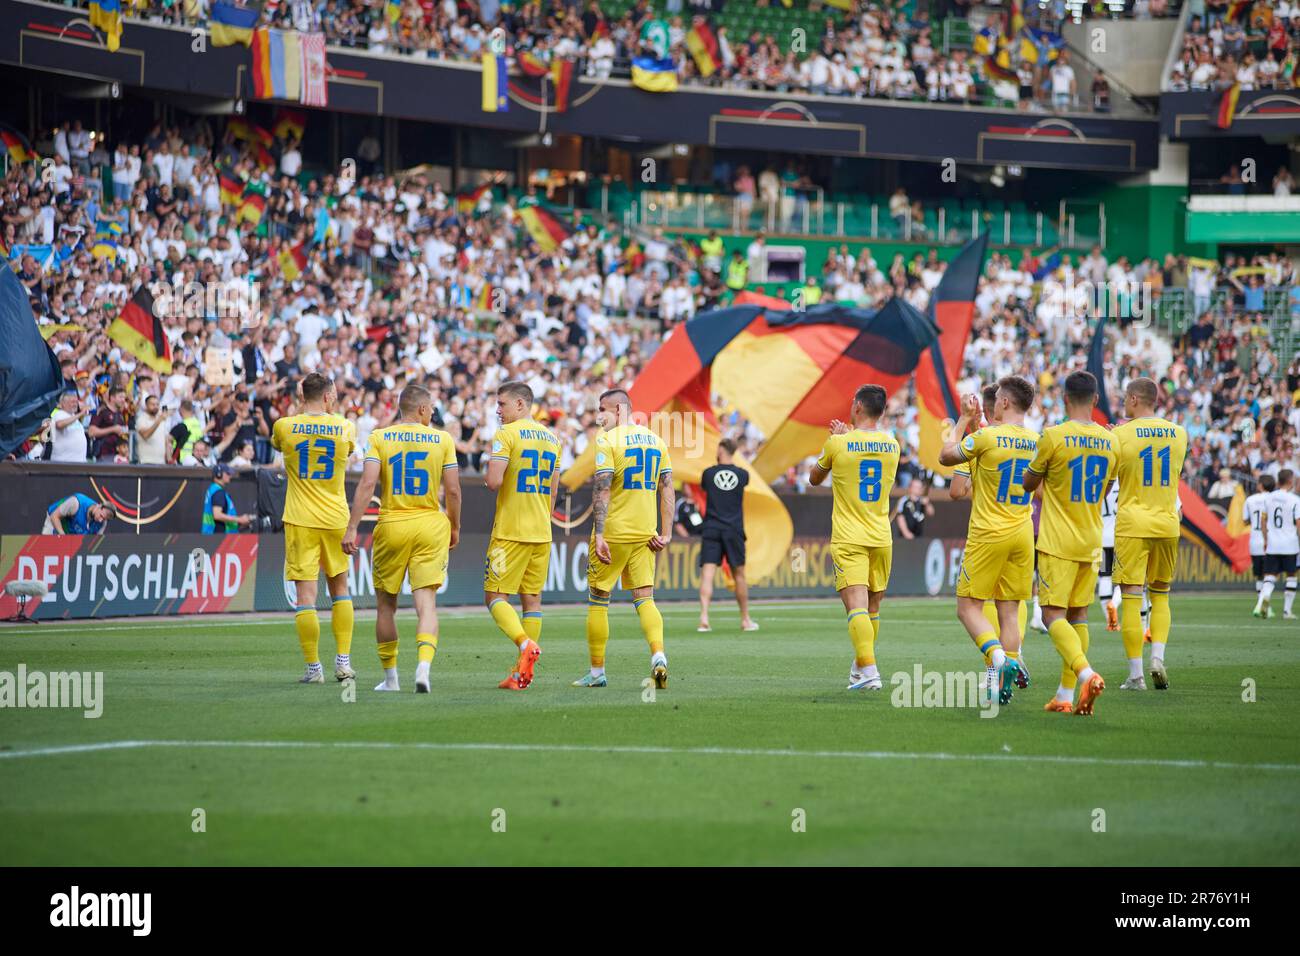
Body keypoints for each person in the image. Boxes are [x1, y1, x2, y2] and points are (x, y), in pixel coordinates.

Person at [343, 383, 461, 694]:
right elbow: (453, 491)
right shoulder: (443, 439)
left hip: (393, 524)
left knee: (385, 607)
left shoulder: (379, 437)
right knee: (427, 605)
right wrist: (455, 526)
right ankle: (423, 668)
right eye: (431, 407)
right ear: (421, 409)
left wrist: (353, 526)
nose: (433, 412)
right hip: (429, 525)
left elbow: (367, 485)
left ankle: (391, 679)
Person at [1020, 371, 1117, 716]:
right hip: (1091, 538)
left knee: (1051, 616)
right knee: (1078, 616)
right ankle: (1064, 694)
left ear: (1063, 398)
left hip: (1058, 541)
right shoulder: (1111, 441)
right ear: (1095, 400)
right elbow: (1105, 489)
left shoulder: (1053, 436)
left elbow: (1028, 483)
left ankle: (1086, 673)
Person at [939, 376, 1039, 705]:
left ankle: (998, 660)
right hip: (1023, 531)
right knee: (1009, 611)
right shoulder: (1037, 440)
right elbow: (1039, 489)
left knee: (967, 607)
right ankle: (1003, 679)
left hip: (989, 532)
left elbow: (945, 456)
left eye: (997, 399)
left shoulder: (985, 437)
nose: (994, 403)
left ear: (1006, 402)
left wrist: (964, 420)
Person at [576, 389, 675, 688]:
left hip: (615, 532)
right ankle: (658, 655)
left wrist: (602, 532)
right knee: (645, 599)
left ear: (619, 409)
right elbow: (667, 488)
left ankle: (596, 674)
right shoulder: (657, 441)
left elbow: (602, 487)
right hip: (646, 533)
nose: (599, 417)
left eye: (603, 410)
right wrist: (666, 532)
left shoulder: (607, 440)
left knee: (598, 600)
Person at [808, 384, 900, 691]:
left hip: (850, 537)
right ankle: (862, 667)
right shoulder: (893, 444)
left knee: (856, 607)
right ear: (882, 411)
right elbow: (865, 451)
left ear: (857, 406)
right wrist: (847, 436)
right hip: (882, 536)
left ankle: (870, 669)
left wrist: (839, 438)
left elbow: (814, 478)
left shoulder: (838, 444)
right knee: (873, 608)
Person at [271, 373, 357, 685]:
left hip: (300, 518)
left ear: (301, 394)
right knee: (340, 590)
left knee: (305, 597)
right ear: (328, 396)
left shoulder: (285, 425)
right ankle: (343, 662)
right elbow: (347, 453)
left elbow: (278, 446)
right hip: (336, 518)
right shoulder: (345, 427)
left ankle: (313, 669)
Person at [483, 381, 562, 691]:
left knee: (494, 596)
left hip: (511, 531)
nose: (498, 410)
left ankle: (524, 644)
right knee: (532, 601)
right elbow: (554, 491)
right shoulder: (553, 438)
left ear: (520, 404)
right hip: (542, 530)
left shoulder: (506, 434)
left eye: (502, 404)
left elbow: (493, 481)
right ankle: (521, 675)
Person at [1112, 377, 1188, 692]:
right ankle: (1158, 657)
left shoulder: (1120, 434)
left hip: (1133, 522)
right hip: (1168, 522)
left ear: (1133, 399)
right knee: (1160, 595)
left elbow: (1109, 479)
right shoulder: (1180, 434)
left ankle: (1136, 675)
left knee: (1131, 597)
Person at [696, 438, 758, 633]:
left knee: (707, 574)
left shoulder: (708, 473)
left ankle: (704, 617)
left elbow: (706, 487)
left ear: (721, 451)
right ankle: (745, 619)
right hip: (733, 529)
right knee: (739, 575)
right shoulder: (742, 475)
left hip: (712, 528)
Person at [1258, 469, 1300, 619]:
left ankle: (1266, 597)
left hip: (1273, 543)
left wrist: (1265, 539)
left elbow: (1263, 521)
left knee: (1270, 576)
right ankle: (1287, 611)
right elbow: (1298, 523)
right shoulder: (1295, 499)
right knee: (1291, 575)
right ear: (1290, 481)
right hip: (1290, 543)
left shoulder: (1269, 498)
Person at [1246, 474, 1274, 616]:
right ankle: (1263, 606)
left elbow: (1245, 520)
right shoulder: (1273, 499)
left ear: (1261, 485)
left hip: (1254, 541)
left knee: (1258, 576)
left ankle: (1260, 604)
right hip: (1270, 542)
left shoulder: (1250, 499)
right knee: (1269, 575)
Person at [203, 463, 252, 534]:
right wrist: (239, 519)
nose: (230, 476)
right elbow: (217, 515)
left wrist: (239, 523)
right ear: (219, 475)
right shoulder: (218, 492)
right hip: (217, 537)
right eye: (228, 473)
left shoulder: (213, 489)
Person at [48, 390, 88, 463]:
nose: (75, 404)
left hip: (78, 462)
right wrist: (80, 414)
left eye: (76, 402)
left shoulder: (72, 416)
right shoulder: (58, 414)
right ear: (63, 403)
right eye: (72, 402)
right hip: (64, 462)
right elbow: (59, 424)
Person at [43, 493, 113, 535]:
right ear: (99, 506)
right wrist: (62, 536)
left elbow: (96, 543)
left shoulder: (102, 522)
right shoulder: (75, 503)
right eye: (101, 516)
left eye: (104, 519)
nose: (100, 520)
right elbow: (54, 516)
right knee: (48, 549)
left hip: (71, 529)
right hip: (55, 519)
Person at [134, 394, 171, 465]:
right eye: (152, 404)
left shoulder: (161, 419)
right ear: (146, 406)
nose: (155, 407)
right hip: (146, 461)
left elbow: (166, 441)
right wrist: (159, 420)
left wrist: (169, 459)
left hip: (161, 462)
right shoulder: (141, 419)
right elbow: (145, 435)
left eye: (157, 404)